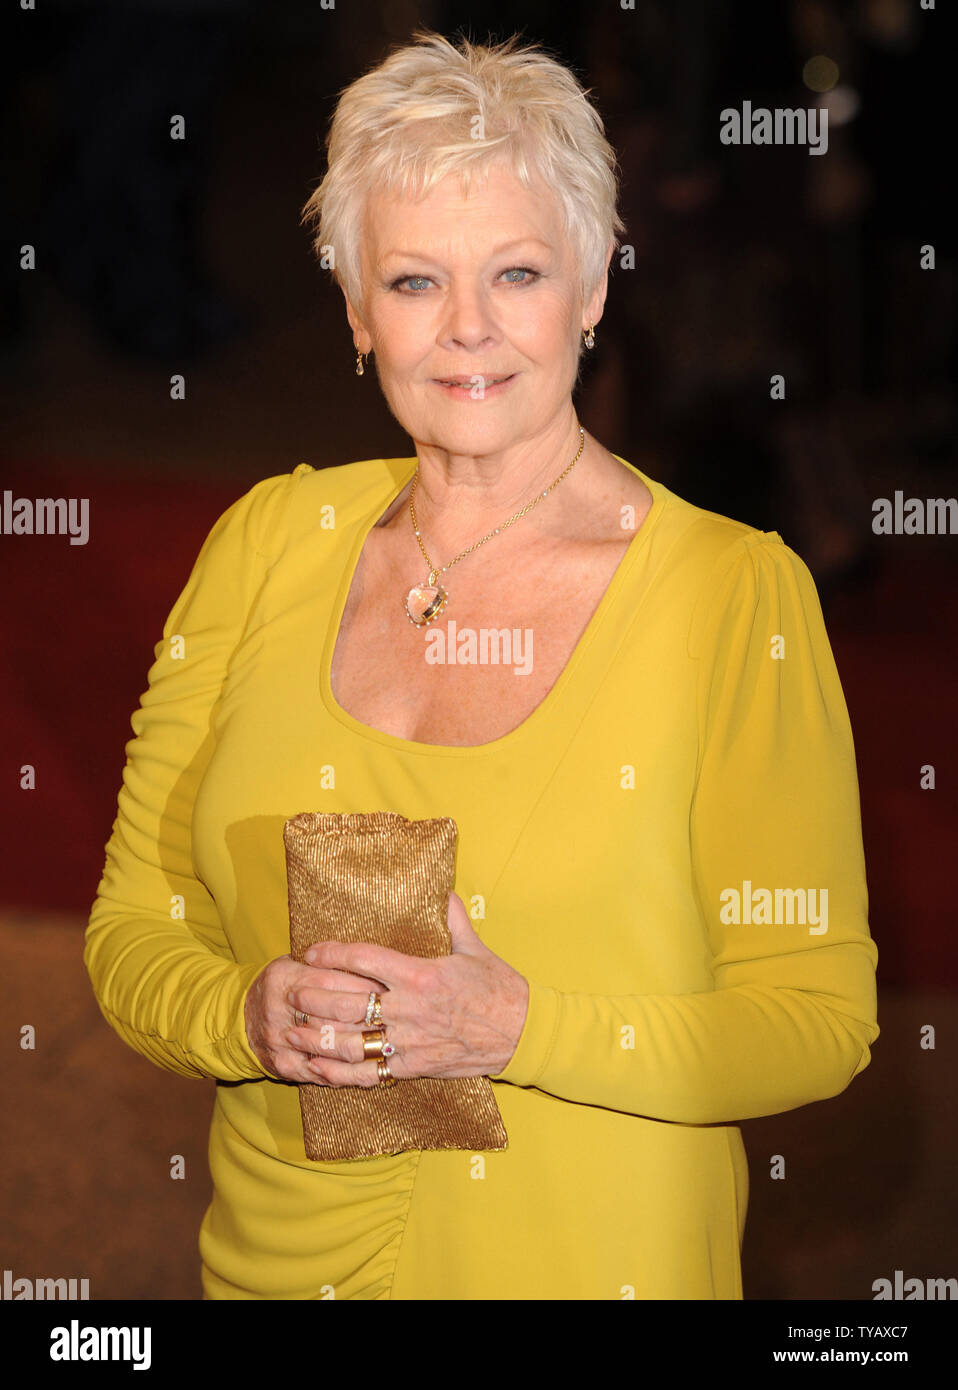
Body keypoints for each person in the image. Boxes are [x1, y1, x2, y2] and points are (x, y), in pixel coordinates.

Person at [84, 28, 879, 1300]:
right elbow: (137, 928)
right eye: (412, 282)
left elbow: (817, 1021)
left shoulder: (730, 594)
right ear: (352, 307)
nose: (467, 332)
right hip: (280, 1264)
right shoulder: (264, 543)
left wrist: (514, 1028)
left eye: (516, 273)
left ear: (593, 289)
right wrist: (244, 1016)